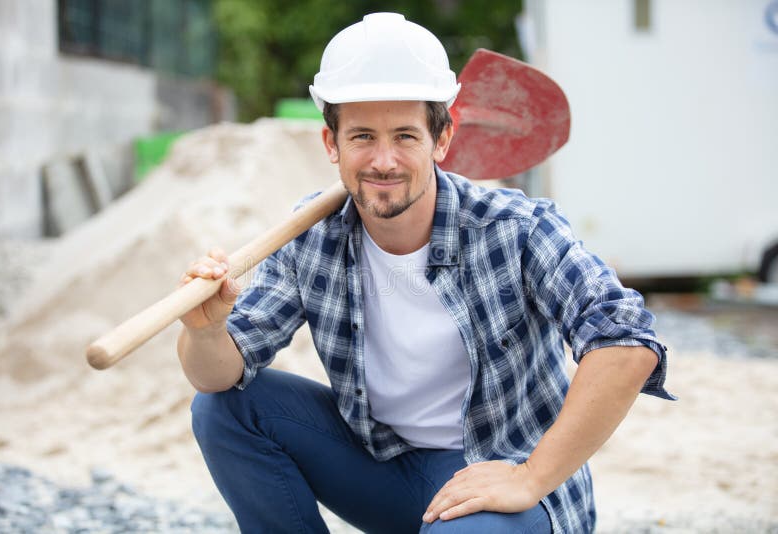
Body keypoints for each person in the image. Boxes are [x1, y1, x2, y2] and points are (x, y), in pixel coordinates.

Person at [177, 12, 674, 534]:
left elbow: (628, 344)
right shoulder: (311, 235)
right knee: (225, 410)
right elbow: (217, 376)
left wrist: (531, 476)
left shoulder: (517, 229)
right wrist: (206, 330)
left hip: (498, 478)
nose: (384, 160)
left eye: (405, 136)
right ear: (332, 144)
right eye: (363, 136)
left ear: (441, 140)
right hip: (384, 466)